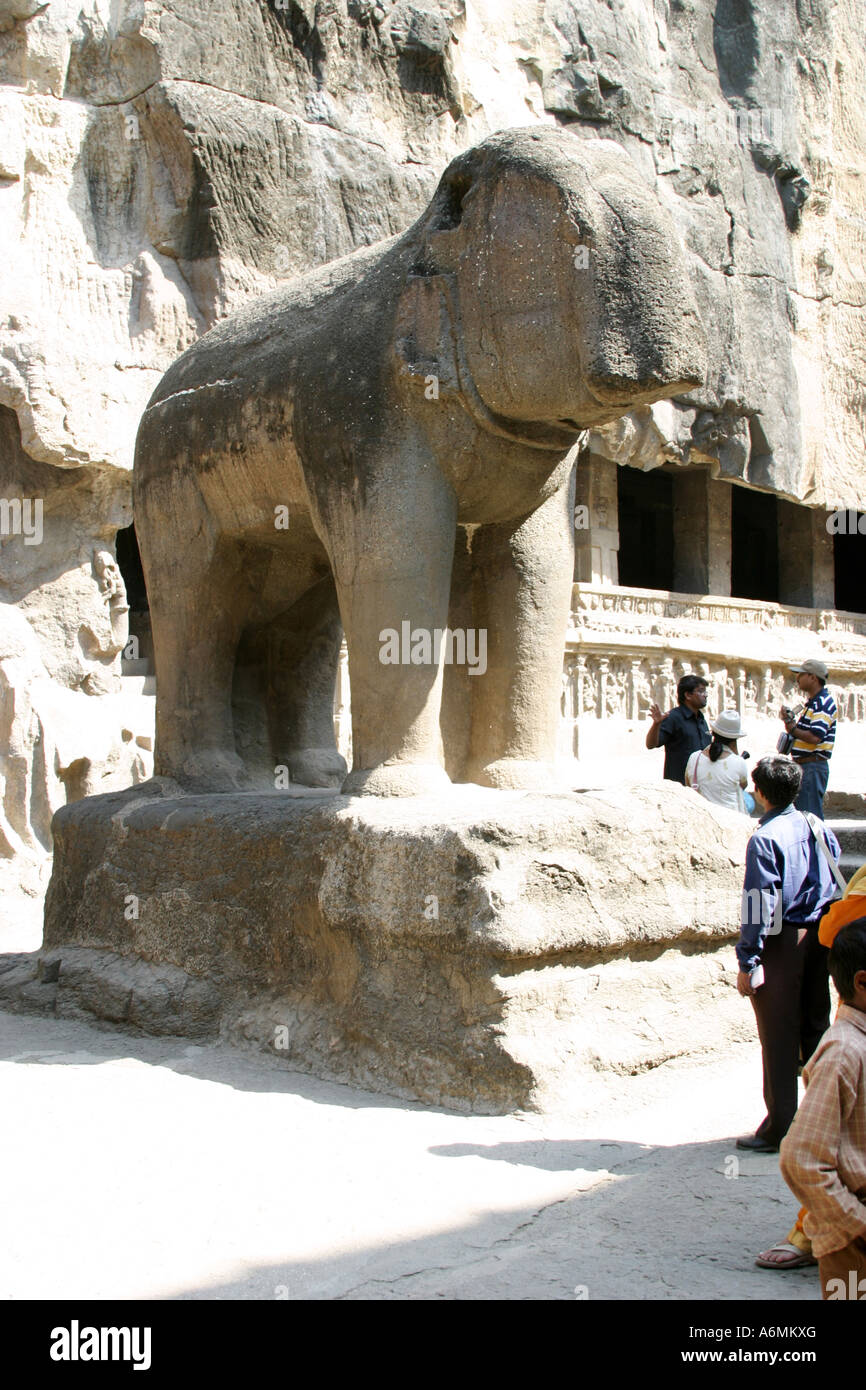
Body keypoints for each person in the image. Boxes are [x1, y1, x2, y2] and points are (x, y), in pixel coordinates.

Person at [755, 865, 866, 1271]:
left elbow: (828, 928)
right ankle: (814, 1226)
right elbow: (803, 1159)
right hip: (796, 947)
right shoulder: (844, 1052)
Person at [734, 755, 841, 1153]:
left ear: (761, 793)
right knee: (816, 1028)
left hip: (782, 942)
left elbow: (756, 904)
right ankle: (825, 1120)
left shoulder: (765, 839)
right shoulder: (817, 825)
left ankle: (781, 1126)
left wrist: (749, 959)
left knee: (778, 1037)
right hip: (819, 937)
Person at [778, 919, 866, 1299]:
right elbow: (800, 1159)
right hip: (852, 1244)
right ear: (862, 983)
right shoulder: (844, 1052)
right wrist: (855, 1222)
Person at [779, 658, 836, 819]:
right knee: (805, 817)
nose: (797, 679)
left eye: (801, 675)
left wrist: (792, 728)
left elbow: (814, 737)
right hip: (807, 765)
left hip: (812, 766)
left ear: (813, 677)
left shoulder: (822, 703)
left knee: (810, 819)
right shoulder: (813, 703)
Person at [646, 674, 710, 784]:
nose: (705, 695)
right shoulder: (673, 717)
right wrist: (656, 725)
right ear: (688, 695)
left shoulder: (701, 719)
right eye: (701, 691)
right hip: (680, 785)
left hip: (702, 784)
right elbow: (651, 744)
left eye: (705, 692)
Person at [684, 710, 750, 813]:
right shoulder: (738, 762)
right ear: (735, 739)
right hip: (730, 818)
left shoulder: (694, 758)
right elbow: (743, 786)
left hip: (701, 815)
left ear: (713, 733)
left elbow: (688, 784)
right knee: (750, 801)